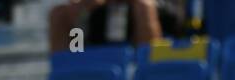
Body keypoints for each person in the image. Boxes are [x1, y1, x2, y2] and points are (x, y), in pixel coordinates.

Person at [48, 0, 183, 52]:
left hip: (153, 8)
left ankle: (150, 72)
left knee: (143, 7)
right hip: (103, 11)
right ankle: (73, 74)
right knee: (60, 14)